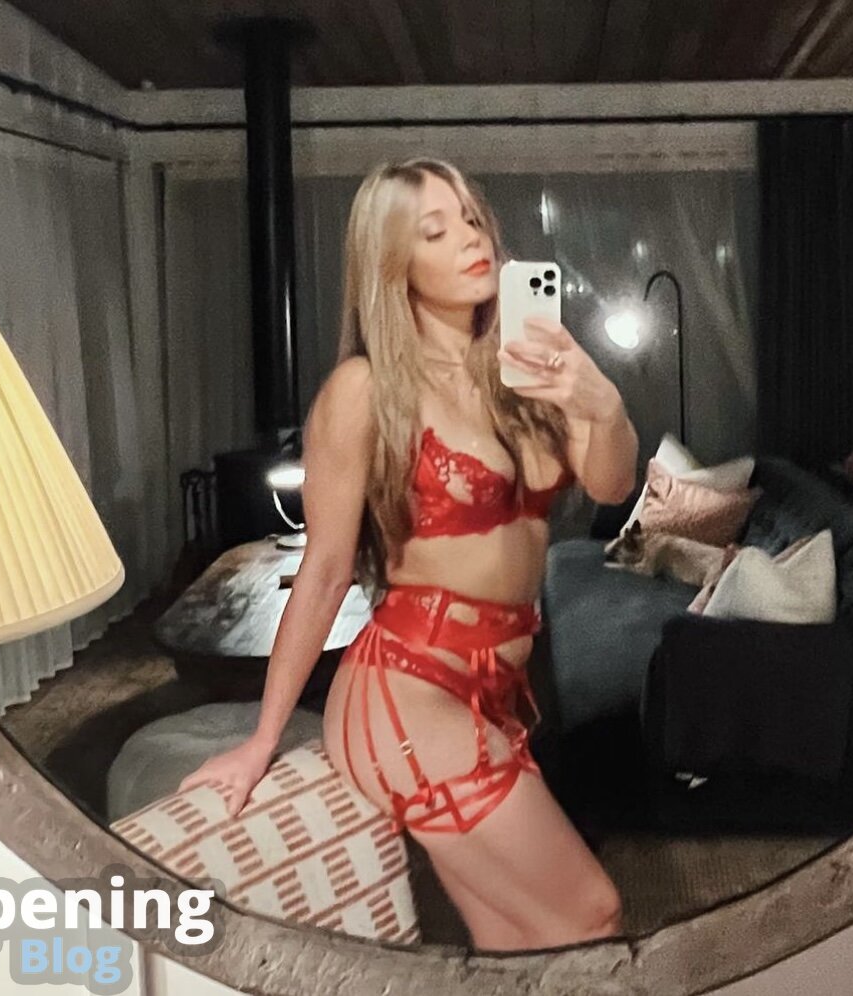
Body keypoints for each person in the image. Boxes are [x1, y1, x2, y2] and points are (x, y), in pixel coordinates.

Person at [178, 157, 638, 952]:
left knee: (515, 941)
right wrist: (262, 738)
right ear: (394, 261)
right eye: (436, 230)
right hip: (407, 690)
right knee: (592, 912)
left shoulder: (522, 372)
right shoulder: (363, 390)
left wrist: (604, 404)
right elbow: (325, 571)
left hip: (496, 690)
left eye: (472, 219)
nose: (470, 239)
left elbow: (611, 483)